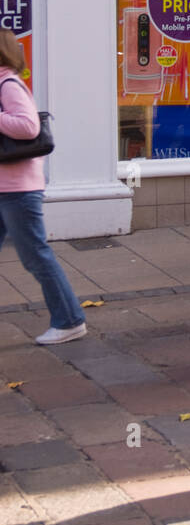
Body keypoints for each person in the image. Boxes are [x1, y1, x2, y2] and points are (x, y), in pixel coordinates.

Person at [0, 33, 86, 345]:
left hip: (17, 190)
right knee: (35, 255)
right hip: (5, 188)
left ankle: (70, 320)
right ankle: (69, 318)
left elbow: (28, 126)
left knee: (35, 255)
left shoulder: (8, 84)